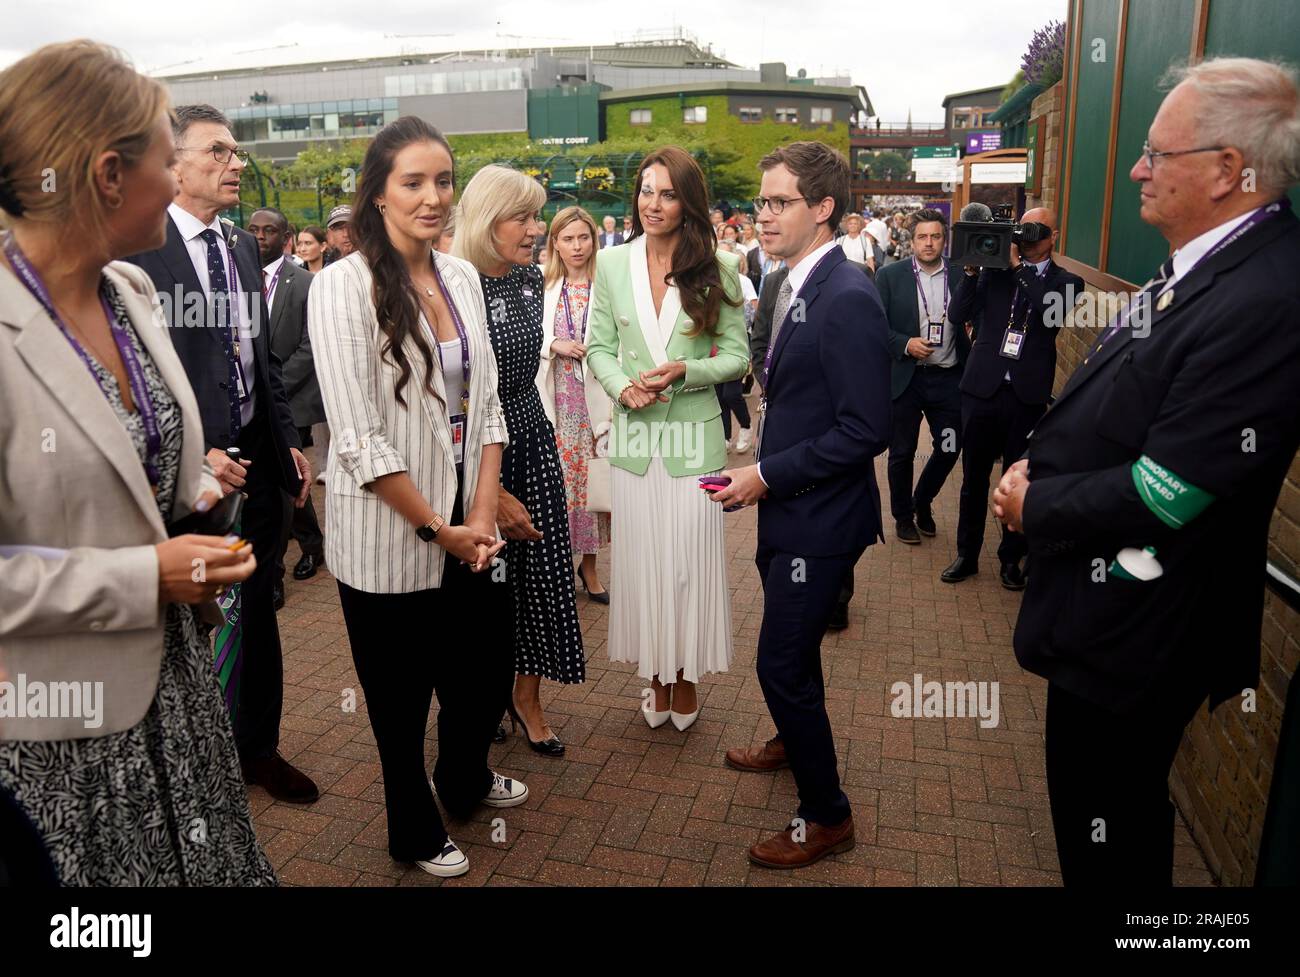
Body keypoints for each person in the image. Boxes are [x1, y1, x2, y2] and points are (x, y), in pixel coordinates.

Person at [993, 56, 1300, 886]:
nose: (1136, 169)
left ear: (1230, 170)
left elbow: (1171, 490)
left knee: (1110, 841)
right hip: (1112, 617)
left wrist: (1036, 502)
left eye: (1158, 155)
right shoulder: (1205, 263)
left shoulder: (1264, 297)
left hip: (1137, 630)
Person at [0, 39, 273, 884]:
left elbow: (122, 464)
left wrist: (193, 499)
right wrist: (144, 573)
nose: (181, 180)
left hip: (177, 697)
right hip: (59, 740)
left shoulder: (133, 294)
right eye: (167, 156)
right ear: (108, 174)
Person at [310, 117, 525, 877]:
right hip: (389, 537)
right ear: (376, 192)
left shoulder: (461, 275)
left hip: (470, 523)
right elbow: (361, 438)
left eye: (443, 180)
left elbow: (491, 404)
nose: (434, 197)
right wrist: (441, 527)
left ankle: (462, 778)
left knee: (480, 676)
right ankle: (413, 826)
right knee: (398, 703)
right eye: (414, 182)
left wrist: (479, 510)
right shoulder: (340, 286)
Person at [125, 104, 318, 804]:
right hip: (187, 476)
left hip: (261, 464)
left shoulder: (241, 247)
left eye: (236, 152)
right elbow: (141, 374)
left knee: (259, 604)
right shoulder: (139, 256)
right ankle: (191, 769)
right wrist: (197, 451)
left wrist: (289, 441)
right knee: (193, 615)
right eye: (219, 151)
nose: (235, 163)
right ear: (174, 164)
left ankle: (258, 750)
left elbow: (258, 356)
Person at [712, 141, 890, 868]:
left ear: (823, 209)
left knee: (778, 660)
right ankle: (793, 739)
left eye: (780, 201)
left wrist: (764, 474)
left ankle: (828, 814)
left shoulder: (847, 296)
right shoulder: (792, 281)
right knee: (796, 655)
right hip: (789, 508)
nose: (763, 215)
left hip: (819, 518)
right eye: (760, 201)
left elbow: (866, 428)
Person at [586, 146, 749, 732]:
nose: (653, 204)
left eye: (668, 193)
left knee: (686, 564)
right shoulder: (611, 265)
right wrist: (620, 388)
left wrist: (686, 371)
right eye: (646, 191)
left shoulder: (720, 266)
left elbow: (736, 356)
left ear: (688, 202)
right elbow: (599, 346)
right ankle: (654, 675)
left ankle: (686, 677)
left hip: (692, 442)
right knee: (642, 563)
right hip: (633, 441)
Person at [454, 165, 586, 757]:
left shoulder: (533, 281)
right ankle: (481, 698)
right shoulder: (453, 285)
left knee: (540, 575)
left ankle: (527, 698)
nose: (538, 228)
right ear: (487, 220)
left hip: (532, 435)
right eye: (524, 217)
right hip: (476, 449)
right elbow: (454, 395)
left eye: (538, 216)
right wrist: (489, 491)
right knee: (482, 588)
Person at [941, 207, 1083, 590]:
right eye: (1022, 226)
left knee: (1019, 478)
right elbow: (957, 314)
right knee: (973, 478)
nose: (1026, 234)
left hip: (1026, 395)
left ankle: (1010, 559)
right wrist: (972, 272)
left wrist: (1018, 267)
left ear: (1054, 235)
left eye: (1035, 228)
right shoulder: (993, 272)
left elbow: (1048, 315)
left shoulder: (1067, 282)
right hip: (981, 390)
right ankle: (966, 555)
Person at [246, 208, 325, 601]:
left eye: (269, 230)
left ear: (287, 237)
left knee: (282, 481)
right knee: (288, 476)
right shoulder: (238, 277)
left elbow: (312, 344)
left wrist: (272, 381)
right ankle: (311, 541)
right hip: (253, 402)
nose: (260, 236)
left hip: (290, 397)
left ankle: (274, 575)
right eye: (254, 230)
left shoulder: (307, 282)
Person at [538, 206, 613, 610]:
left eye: (583, 237)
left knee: (593, 487)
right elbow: (529, 337)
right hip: (557, 400)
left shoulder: (608, 284)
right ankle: (559, 566)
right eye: (568, 239)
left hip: (597, 403)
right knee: (560, 488)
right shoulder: (543, 286)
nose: (577, 246)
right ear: (555, 243)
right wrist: (554, 344)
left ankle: (591, 567)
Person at [880, 208, 968, 544]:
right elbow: (875, 327)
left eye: (935, 236)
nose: (928, 243)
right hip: (907, 378)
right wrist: (905, 344)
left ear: (944, 240)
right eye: (922, 237)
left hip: (948, 378)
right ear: (911, 240)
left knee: (949, 447)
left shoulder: (963, 275)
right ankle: (903, 517)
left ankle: (923, 501)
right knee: (901, 452)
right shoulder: (890, 276)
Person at [715, 240, 757, 453]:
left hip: (735, 344)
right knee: (719, 395)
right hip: (712, 347)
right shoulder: (708, 281)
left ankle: (747, 427)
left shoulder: (743, 281)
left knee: (731, 394)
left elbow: (750, 312)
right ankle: (724, 437)